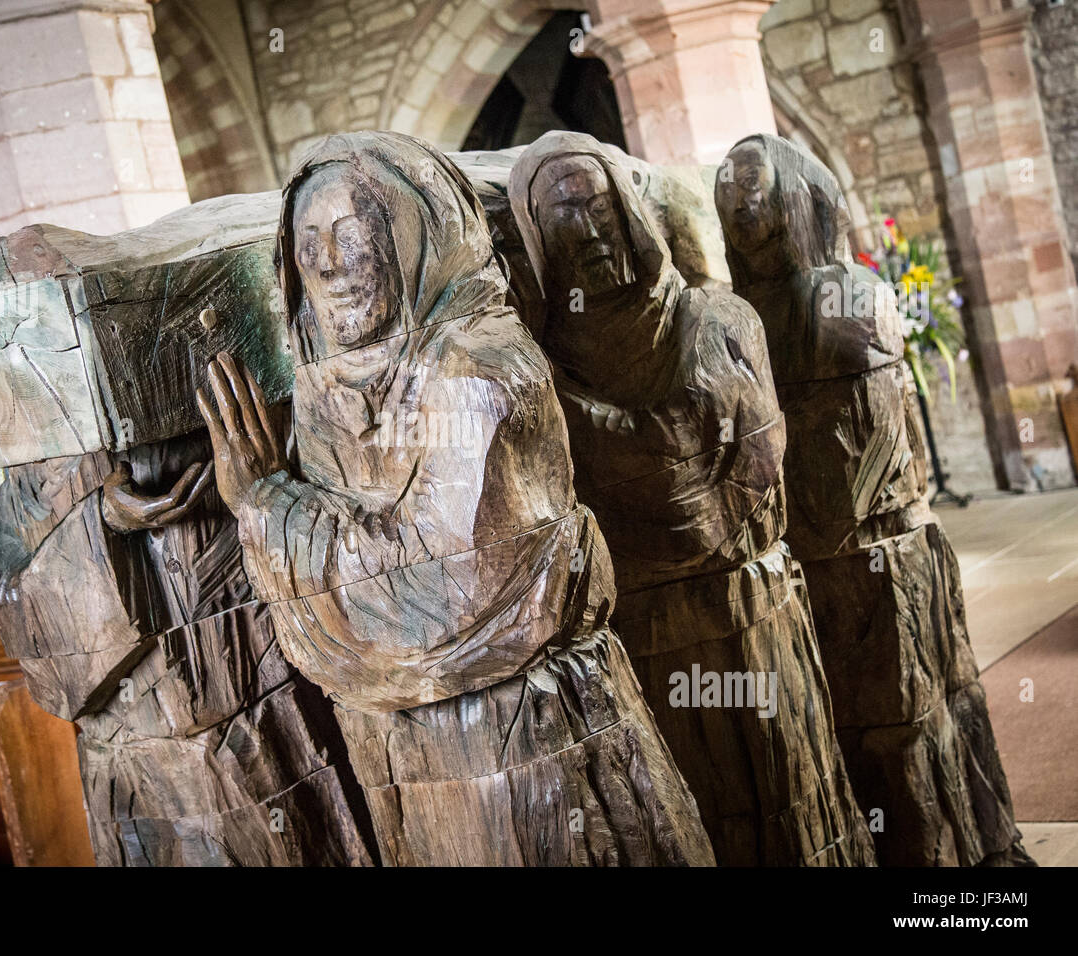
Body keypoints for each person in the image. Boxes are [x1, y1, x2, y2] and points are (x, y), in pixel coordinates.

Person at [198, 130, 714, 866]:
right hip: (415, 758)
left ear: (414, 233)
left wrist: (266, 502)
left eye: (352, 232)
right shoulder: (341, 386)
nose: (328, 263)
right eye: (308, 240)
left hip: (523, 745)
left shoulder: (478, 372)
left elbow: (439, 593)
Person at [508, 130, 874, 866]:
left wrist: (592, 428)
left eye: (597, 203)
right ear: (533, 233)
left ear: (628, 210)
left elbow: (729, 483)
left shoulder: (713, 321)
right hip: (639, 635)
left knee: (792, 802)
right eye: (560, 212)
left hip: (747, 612)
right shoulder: (537, 370)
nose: (587, 227)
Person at [716, 133, 1033, 866]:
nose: (742, 206)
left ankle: (957, 859)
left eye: (755, 190)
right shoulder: (736, 316)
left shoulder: (846, 294)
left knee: (915, 713)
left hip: (877, 546)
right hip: (812, 558)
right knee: (854, 725)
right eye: (729, 195)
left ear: (799, 196)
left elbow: (867, 435)